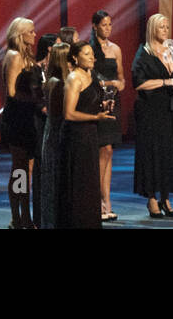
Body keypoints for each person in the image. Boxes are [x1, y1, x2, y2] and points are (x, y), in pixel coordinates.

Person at [131, 13, 173, 218]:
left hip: (170, 110)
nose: (165, 30)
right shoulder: (144, 53)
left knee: (168, 153)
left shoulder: (172, 52)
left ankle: (166, 197)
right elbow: (139, 84)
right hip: (150, 111)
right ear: (153, 29)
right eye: (161, 27)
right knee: (152, 154)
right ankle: (152, 199)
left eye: (167, 27)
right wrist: (166, 82)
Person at [61, 41, 117, 229]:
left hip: (91, 134)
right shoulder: (74, 78)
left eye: (92, 53)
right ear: (75, 58)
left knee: (91, 183)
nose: (92, 57)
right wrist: (96, 116)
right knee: (81, 183)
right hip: (77, 138)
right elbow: (68, 113)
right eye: (86, 54)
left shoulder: (91, 74)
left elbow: (91, 102)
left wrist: (104, 106)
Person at [1, 17, 43, 229]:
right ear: (21, 34)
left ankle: (24, 214)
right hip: (17, 119)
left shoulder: (27, 56)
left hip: (28, 119)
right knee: (19, 170)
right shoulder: (14, 56)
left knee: (27, 169)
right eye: (31, 32)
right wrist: (37, 101)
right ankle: (18, 217)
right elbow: (11, 92)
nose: (35, 35)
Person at [90, 10, 124, 221]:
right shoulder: (89, 49)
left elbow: (121, 78)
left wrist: (118, 85)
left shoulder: (116, 49)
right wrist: (108, 84)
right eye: (104, 25)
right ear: (95, 26)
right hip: (95, 102)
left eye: (110, 24)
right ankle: (99, 201)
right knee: (101, 150)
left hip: (113, 101)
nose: (108, 28)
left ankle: (106, 200)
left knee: (109, 151)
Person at [39, 43, 70, 229]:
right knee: (56, 180)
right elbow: (63, 113)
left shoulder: (51, 81)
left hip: (50, 133)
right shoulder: (58, 84)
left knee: (50, 180)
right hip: (57, 134)